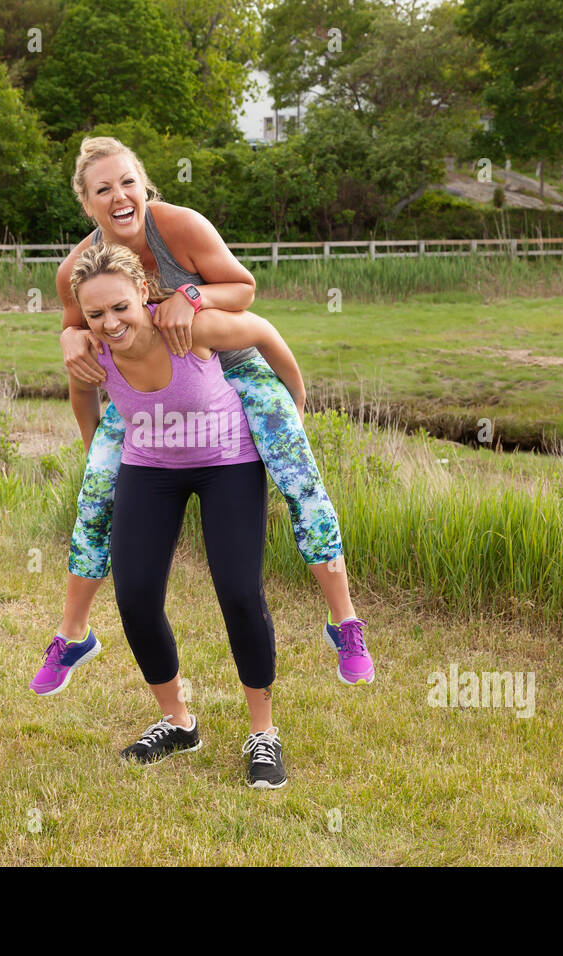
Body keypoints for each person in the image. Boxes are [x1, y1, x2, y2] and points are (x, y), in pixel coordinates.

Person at [29, 136, 374, 699]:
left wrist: (191, 296)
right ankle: (73, 634)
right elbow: (81, 327)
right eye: (102, 189)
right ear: (86, 204)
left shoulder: (180, 227)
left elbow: (244, 291)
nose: (119, 196)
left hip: (233, 365)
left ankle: (344, 620)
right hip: (153, 391)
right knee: (95, 493)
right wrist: (69, 339)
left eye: (127, 183)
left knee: (298, 477)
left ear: (144, 187)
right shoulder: (78, 268)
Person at [67, 241, 324, 787]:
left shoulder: (187, 328)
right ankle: (178, 722)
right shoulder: (90, 351)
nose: (109, 322)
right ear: (83, 318)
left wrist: (295, 404)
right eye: (95, 314)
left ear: (142, 293)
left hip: (226, 459)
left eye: (119, 307)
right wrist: (102, 462)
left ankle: (263, 733)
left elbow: (261, 330)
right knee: (134, 595)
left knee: (237, 588)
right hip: (150, 463)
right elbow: (83, 401)